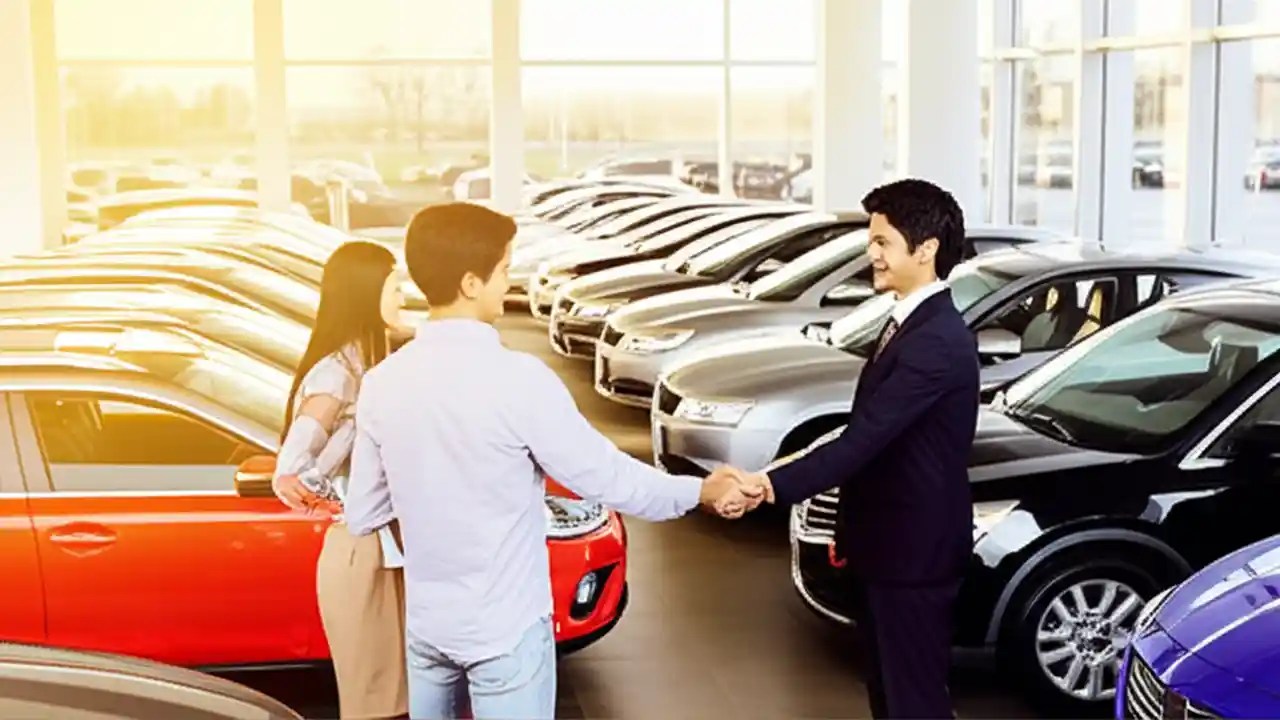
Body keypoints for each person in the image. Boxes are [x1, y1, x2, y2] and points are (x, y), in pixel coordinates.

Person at [343, 202, 764, 720]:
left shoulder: (383, 384)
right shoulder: (518, 380)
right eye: (503, 270)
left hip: (430, 630)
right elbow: (605, 476)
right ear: (472, 283)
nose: (508, 281)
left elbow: (363, 512)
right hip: (505, 630)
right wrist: (700, 490)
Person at [744, 179, 979, 719]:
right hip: (889, 548)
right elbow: (878, 446)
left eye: (883, 243)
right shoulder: (908, 321)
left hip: (914, 556)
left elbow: (863, 440)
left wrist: (766, 485)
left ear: (926, 251)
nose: (870, 254)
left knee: (912, 702)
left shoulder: (936, 341)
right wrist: (846, 532)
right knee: (891, 695)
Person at [272, 240, 409, 720]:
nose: (403, 298)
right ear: (365, 292)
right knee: (376, 701)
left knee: (397, 697)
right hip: (360, 548)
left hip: (382, 545)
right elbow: (291, 470)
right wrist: (343, 500)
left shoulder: (365, 363)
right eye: (394, 287)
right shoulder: (337, 373)